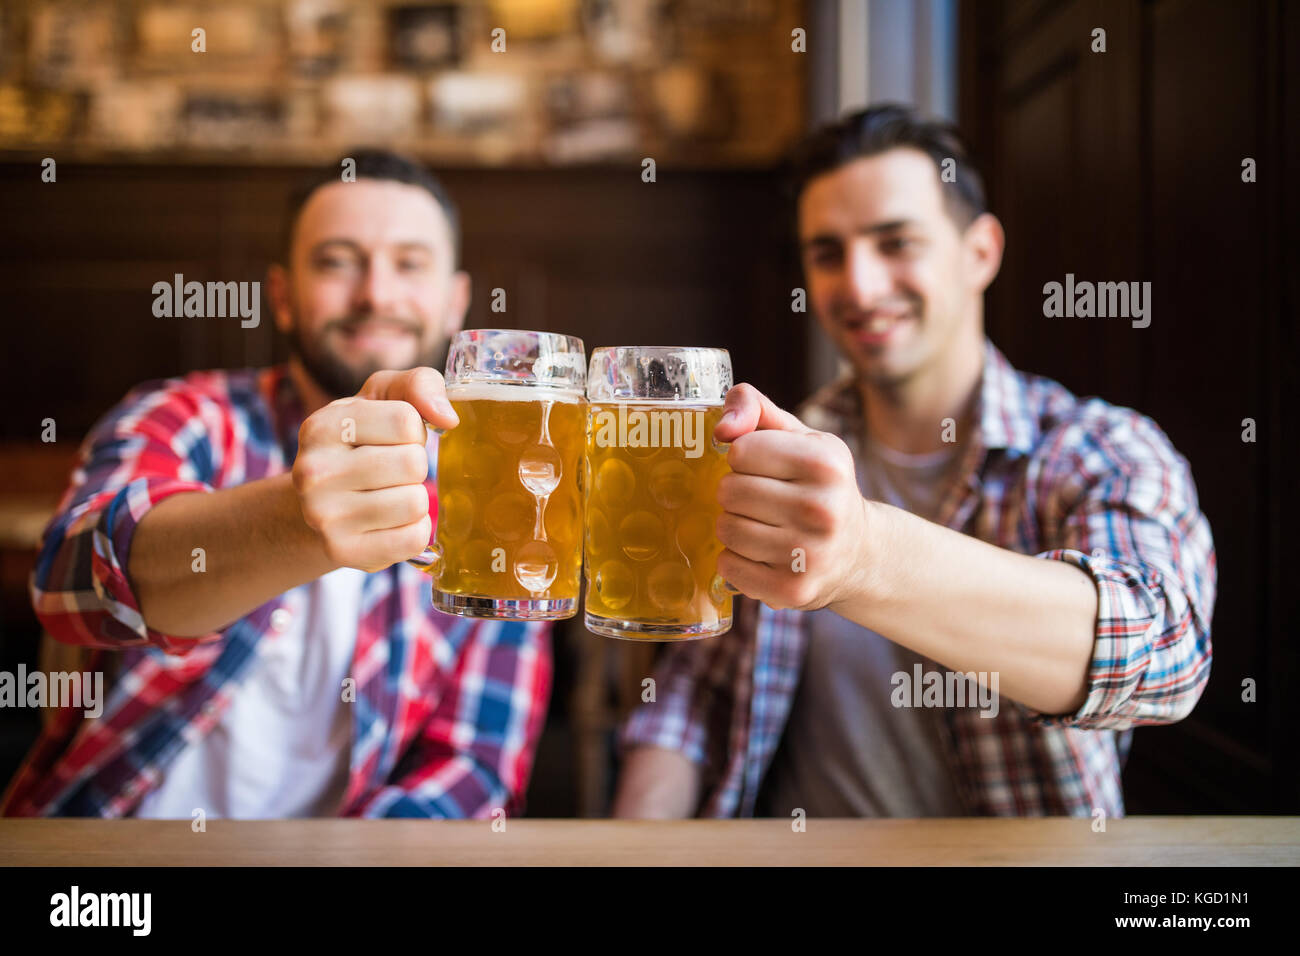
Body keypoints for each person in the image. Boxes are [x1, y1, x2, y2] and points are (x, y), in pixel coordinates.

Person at [612, 105, 1216, 818]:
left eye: (896, 242)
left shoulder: (1096, 449)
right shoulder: (782, 450)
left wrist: (864, 554)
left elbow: (1166, 660)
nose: (861, 286)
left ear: (980, 253)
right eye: (828, 254)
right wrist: (640, 842)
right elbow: (695, 693)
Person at [3, 150, 552, 818]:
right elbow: (67, 584)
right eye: (337, 261)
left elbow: (474, 766)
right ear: (284, 297)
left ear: (453, 303)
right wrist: (294, 521)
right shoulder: (188, 414)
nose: (376, 294)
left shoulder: (499, 492)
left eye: (409, 264)